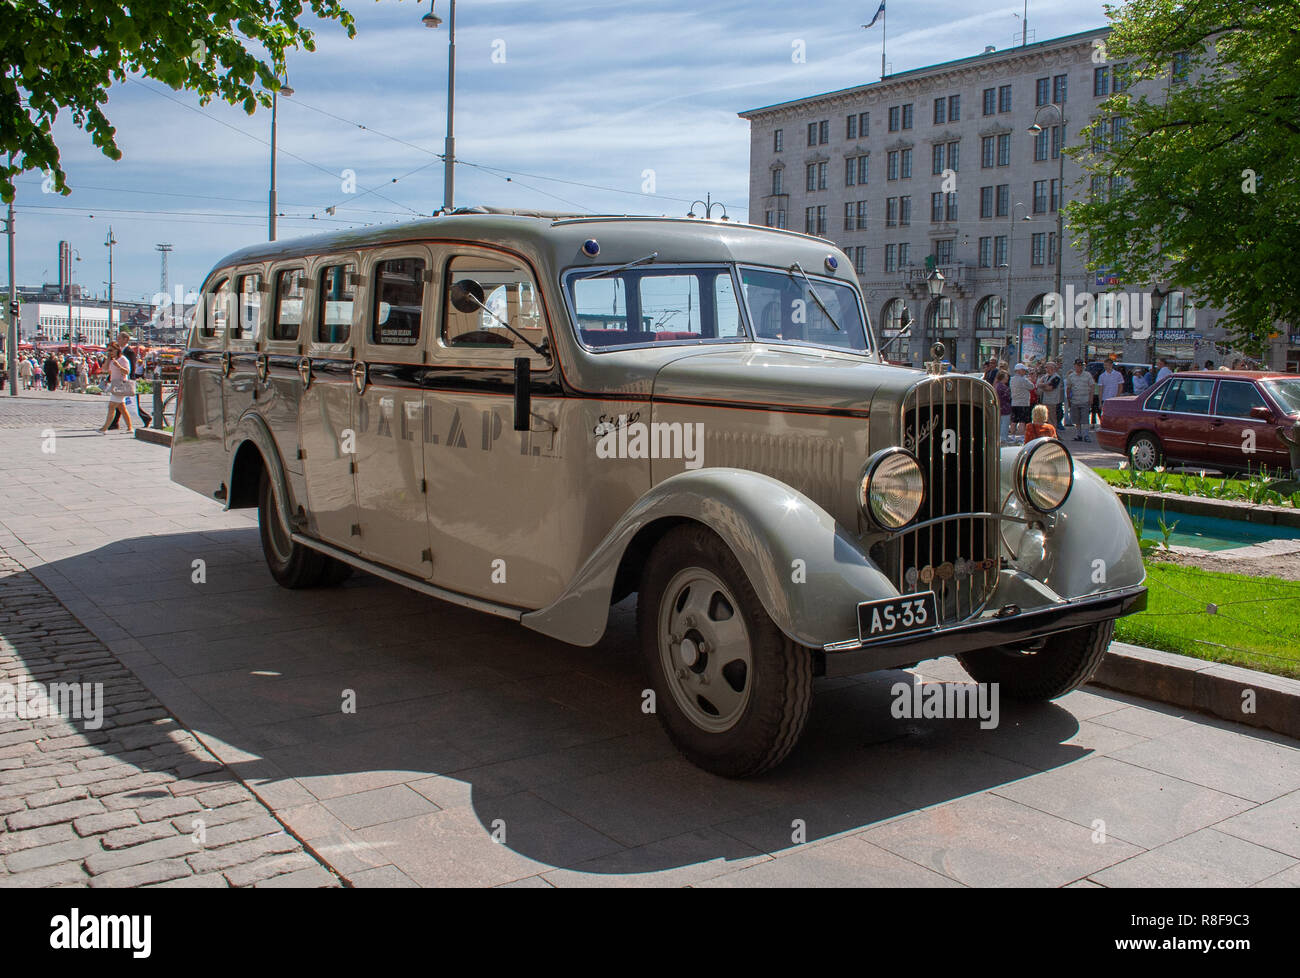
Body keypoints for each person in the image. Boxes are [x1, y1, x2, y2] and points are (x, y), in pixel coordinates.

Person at [107, 331, 151, 429]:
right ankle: (114, 423)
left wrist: (130, 379)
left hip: (127, 380)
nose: (117, 340)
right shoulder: (120, 350)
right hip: (120, 379)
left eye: (119, 338)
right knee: (120, 403)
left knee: (131, 403)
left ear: (125, 339)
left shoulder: (129, 351)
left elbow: (132, 366)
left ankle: (145, 418)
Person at [96, 341, 134, 434]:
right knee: (122, 407)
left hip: (121, 384)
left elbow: (127, 372)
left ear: (117, 350)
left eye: (111, 350)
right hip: (115, 384)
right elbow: (105, 369)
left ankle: (105, 428)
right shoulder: (112, 360)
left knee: (112, 406)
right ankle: (130, 427)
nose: (110, 352)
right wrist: (108, 359)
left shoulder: (123, 359)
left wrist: (119, 366)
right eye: (108, 350)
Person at [1065, 359, 1096, 442]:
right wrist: (1068, 399)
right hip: (1075, 400)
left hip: (1085, 400)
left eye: (1081, 365)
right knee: (1076, 419)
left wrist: (1091, 398)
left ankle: (1086, 435)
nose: (1080, 367)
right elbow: (1068, 387)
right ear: (1075, 366)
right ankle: (1079, 435)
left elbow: (1092, 386)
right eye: (1078, 365)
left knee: (1085, 418)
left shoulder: (1087, 375)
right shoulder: (1071, 376)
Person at [1036, 360, 1064, 428]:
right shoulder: (1045, 376)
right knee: (1046, 418)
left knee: (1052, 418)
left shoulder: (1056, 377)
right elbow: (1038, 384)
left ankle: (1053, 433)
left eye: (1047, 367)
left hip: (1052, 401)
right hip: (1044, 400)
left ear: (1052, 368)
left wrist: (1043, 386)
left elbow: (1050, 388)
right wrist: (1045, 384)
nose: (1046, 369)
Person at [1009, 363, 1033, 442]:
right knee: (1022, 421)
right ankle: (1021, 436)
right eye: (1023, 370)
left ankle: (1012, 435)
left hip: (1014, 402)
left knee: (1014, 420)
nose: (1024, 372)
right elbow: (1032, 386)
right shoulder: (1023, 380)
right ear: (1020, 371)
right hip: (1023, 403)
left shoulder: (1011, 379)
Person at [994, 369, 1012, 444]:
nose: (1007, 378)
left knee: (1001, 423)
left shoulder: (997, 385)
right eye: (1006, 376)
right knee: (1005, 424)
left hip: (1000, 408)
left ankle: (1001, 438)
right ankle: (1003, 438)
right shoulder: (1003, 387)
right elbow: (1008, 397)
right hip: (1005, 408)